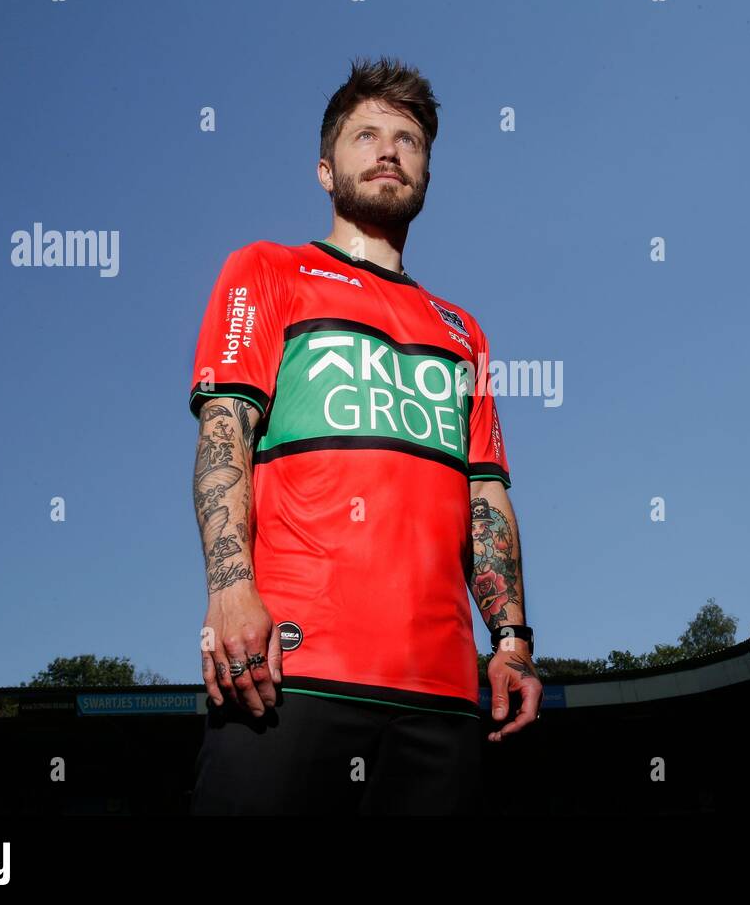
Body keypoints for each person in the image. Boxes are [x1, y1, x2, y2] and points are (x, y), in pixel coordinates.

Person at [187, 56, 542, 815]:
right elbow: (226, 431)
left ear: (427, 172)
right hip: (290, 668)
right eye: (368, 135)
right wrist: (229, 589)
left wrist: (510, 638)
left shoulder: (463, 331)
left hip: (442, 696)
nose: (390, 150)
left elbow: (486, 493)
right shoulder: (267, 270)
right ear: (326, 168)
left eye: (410, 140)